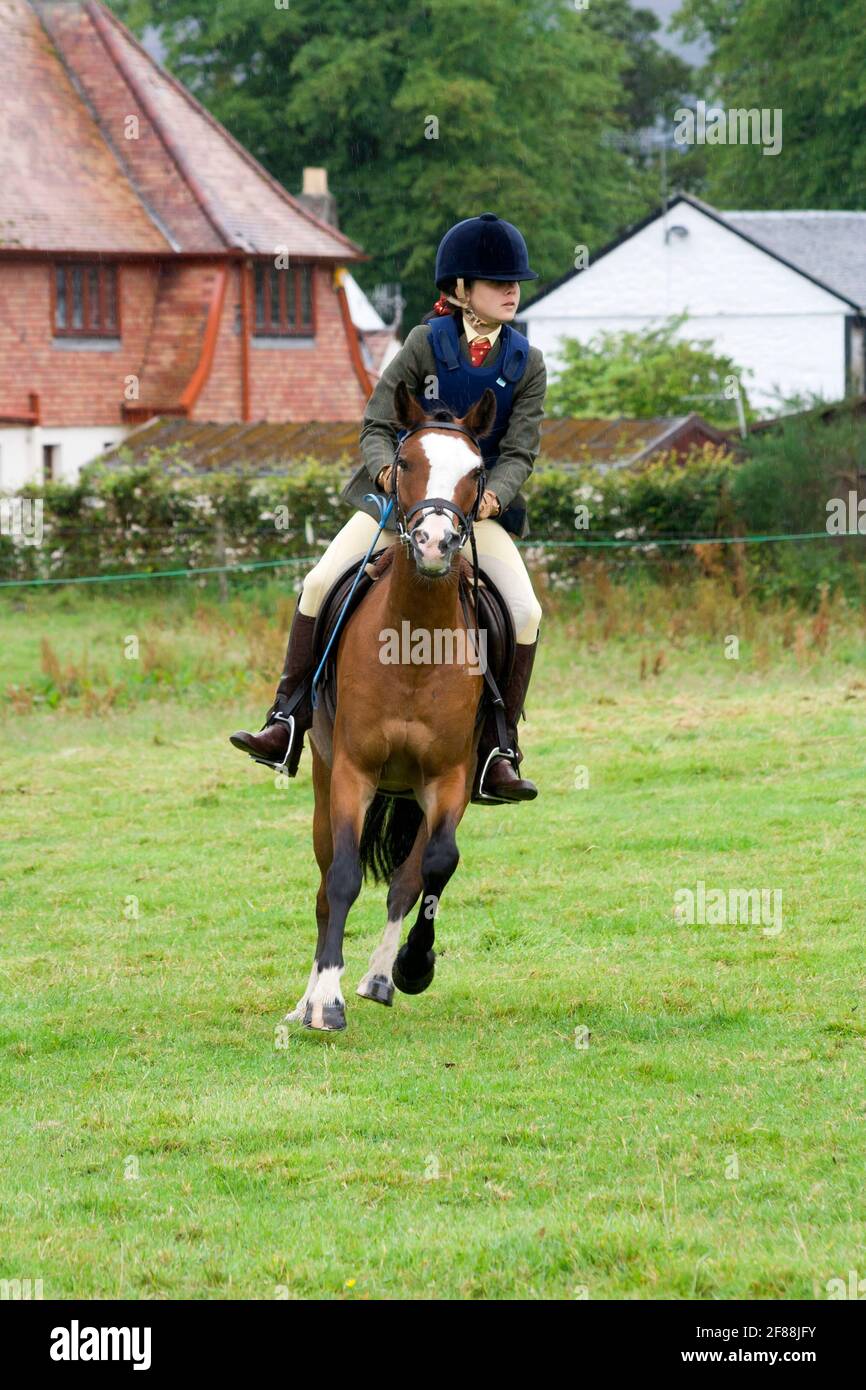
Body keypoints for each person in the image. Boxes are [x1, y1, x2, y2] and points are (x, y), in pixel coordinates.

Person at [230, 212, 546, 802]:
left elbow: (521, 451)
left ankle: (499, 751)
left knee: (525, 613)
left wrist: (491, 496)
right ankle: (288, 720)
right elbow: (377, 424)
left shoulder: (526, 363)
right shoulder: (426, 344)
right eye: (496, 281)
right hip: (396, 506)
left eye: (515, 282)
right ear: (460, 290)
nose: (512, 290)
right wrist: (386, 473)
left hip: (474, 514)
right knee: (320, 581)